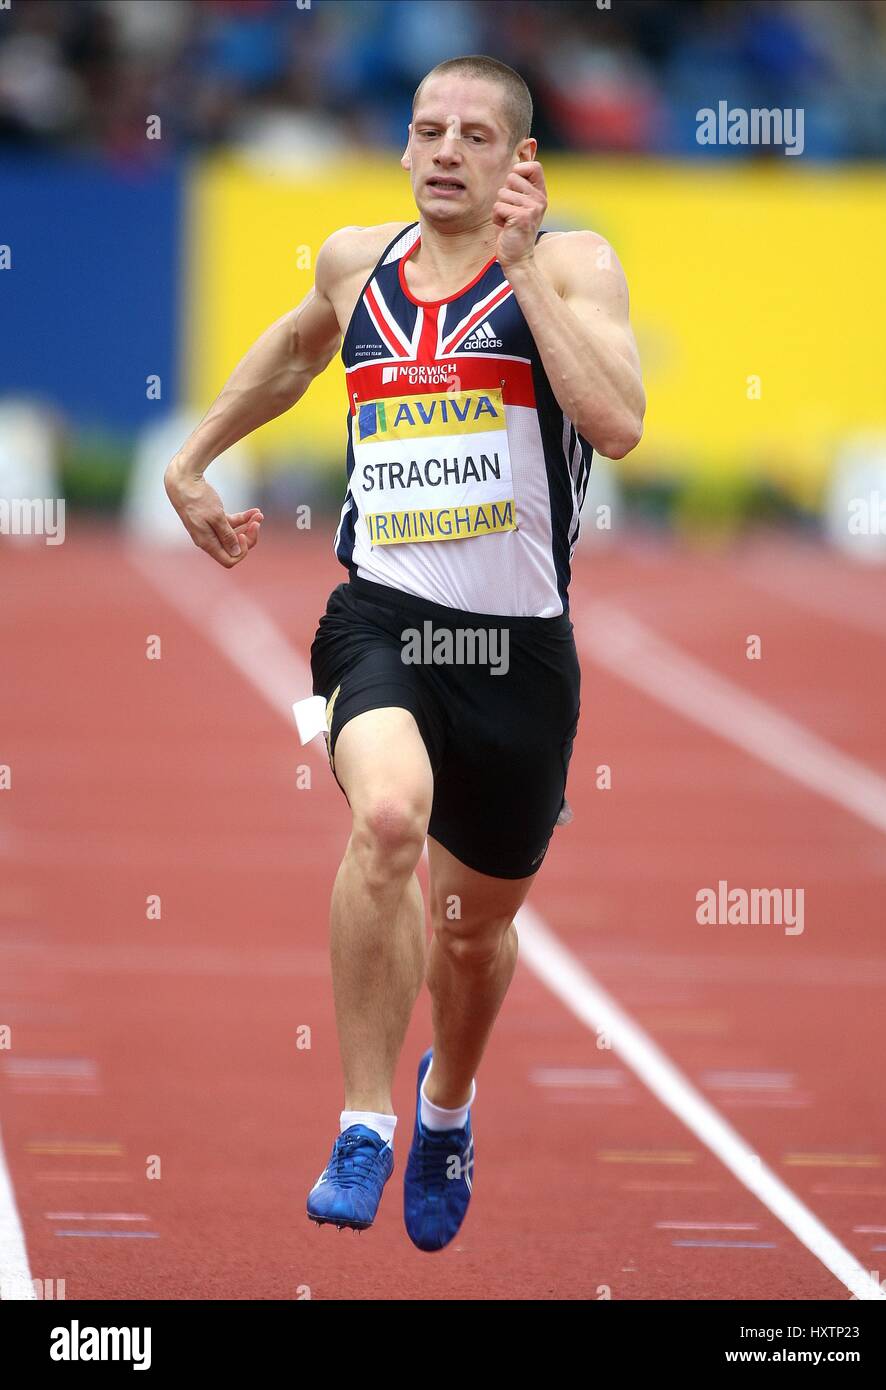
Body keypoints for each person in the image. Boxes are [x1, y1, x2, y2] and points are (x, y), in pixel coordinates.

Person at [165, 54, 644, 1253]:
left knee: (474, 934)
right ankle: (365, 1119)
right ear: (403, 146)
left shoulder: (574, 265)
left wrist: (525, 267)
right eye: (427, 129)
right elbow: (296, 346)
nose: (444, 151)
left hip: (520, 658)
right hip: (380, 617)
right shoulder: (358, 260)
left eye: (474, 135)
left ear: (517, 161)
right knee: (386, 821)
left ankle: (446, 1106)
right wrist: (194, 458)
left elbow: (618, 423)